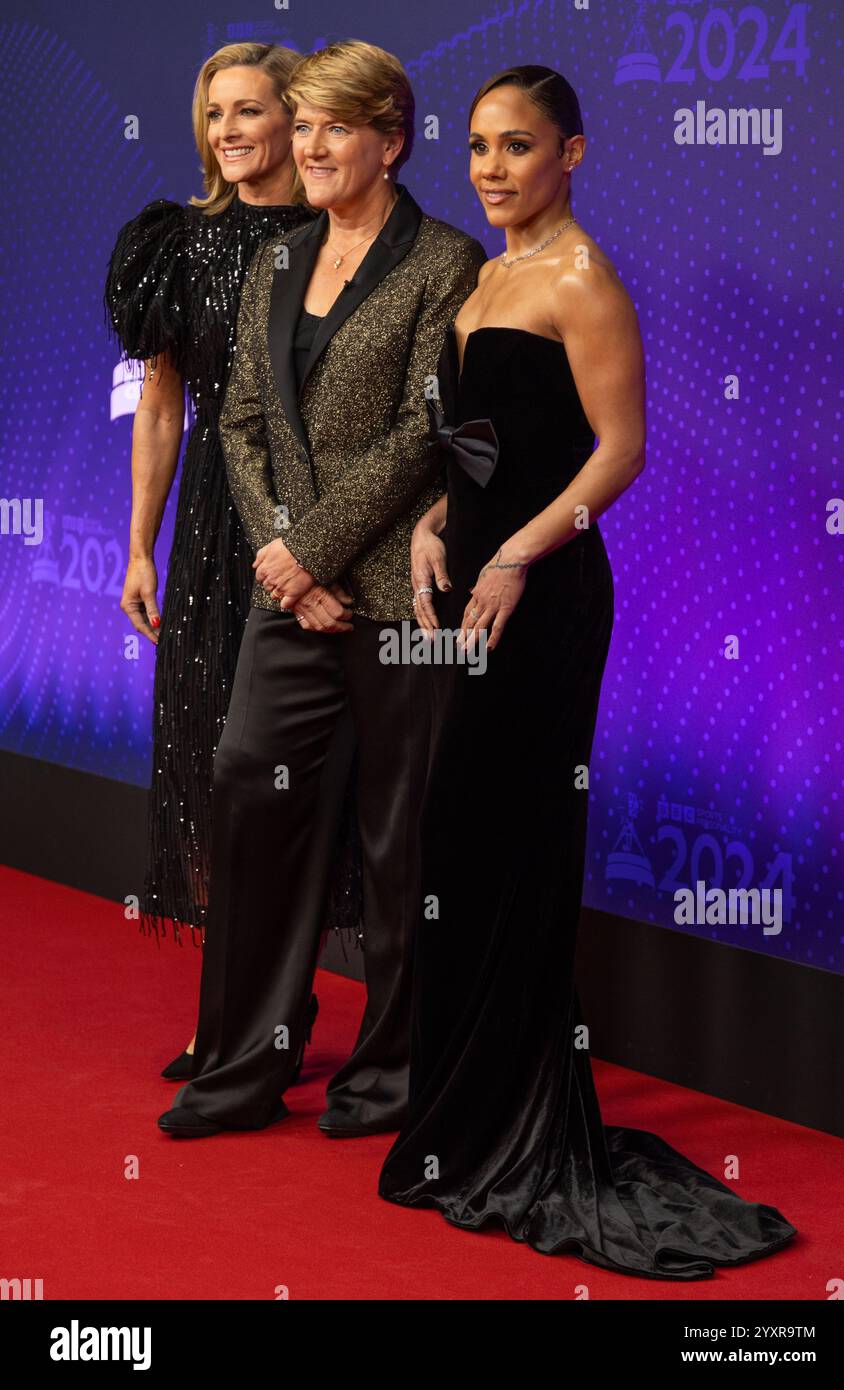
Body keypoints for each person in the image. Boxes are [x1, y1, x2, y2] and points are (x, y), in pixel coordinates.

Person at [378, 65, 797, 1278]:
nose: (490, 168)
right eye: (475, 148)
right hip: (475, 585)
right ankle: (461, 1120)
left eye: (516, 147)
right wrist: (429, 525)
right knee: (456, 842)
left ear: (571, 153)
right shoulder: (484, 276)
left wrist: (508, 552)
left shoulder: (579, 278)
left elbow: (620, 450)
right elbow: (476, 441)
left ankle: (517, 1127)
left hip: (546, 598)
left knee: (509, 844)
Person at [157, 40, 487, 1138]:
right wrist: (283, 562)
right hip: (287, 594)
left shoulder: (445, 261)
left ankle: (389, 1073)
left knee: (402, 843)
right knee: (253, 802)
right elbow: (240, 422)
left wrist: (319, 554)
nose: (307, 148)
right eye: (299, 127)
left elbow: (421, 436)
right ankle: (244, 1062)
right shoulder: (276, 259)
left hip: (399, 601)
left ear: (388, 141)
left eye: (331, 128)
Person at [103, 43, 348, 1082]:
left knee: (288, 776)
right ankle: (233, 1014)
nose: (229, 132)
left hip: (317, 520)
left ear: (297, 118)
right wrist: (137, 542)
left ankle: (274, 1012)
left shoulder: (337, 237)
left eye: (250, 111)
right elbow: (160, 404)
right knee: (210, 763)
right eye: (214, 114)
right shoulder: (177, 243)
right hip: (208, 522)